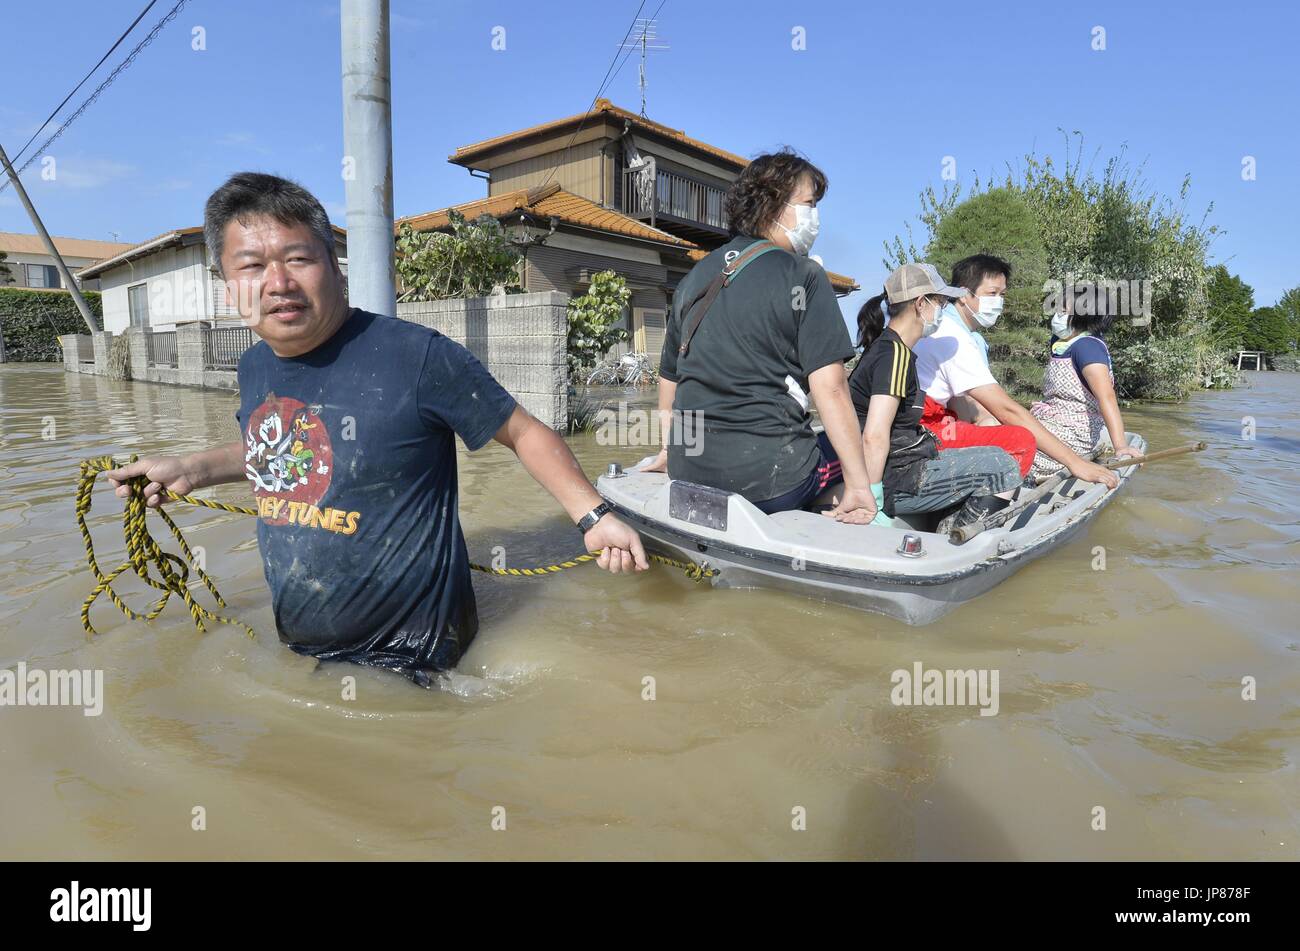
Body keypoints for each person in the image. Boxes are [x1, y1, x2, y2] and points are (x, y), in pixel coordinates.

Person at [107, 172, 647, 686]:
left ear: (335, 270)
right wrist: (189, 469)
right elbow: (277, 453)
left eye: (299, 258)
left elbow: (524, 432)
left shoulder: (417, 357)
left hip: (417, 665)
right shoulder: (254, 366)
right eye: (251, 266)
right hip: (304, 651)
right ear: (229, 289)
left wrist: (592, 515)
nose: (278, 282)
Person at [642, 149, 877, 522]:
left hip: (687, 472)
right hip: (770, 482)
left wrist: (671, 454)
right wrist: (860, 487)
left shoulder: (693, 279)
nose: (814, 218)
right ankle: (843, 499)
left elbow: (669, 378)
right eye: (808, 204)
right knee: (864, 440)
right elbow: (831, 389)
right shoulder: (804, 275)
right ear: (772, 207)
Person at [913, 254, 1118, 489]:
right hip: (928, 428)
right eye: (992, 294)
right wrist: (1075, 463)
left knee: (993, 426)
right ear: (964, 295)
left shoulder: (949, 328)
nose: (998, 302)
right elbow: (1007, 409)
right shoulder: (954, 338)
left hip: (928, 422)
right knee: (1018, 440)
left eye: (1002, 295)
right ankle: (975, 517)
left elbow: (965, 402)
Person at [849, 263, 1021, 531]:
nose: (943, 310)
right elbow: (874, 434)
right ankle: (956, 546)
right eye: (940, 302)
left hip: (901, 464)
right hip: (895, 478)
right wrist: (872, 501)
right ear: (921, 304)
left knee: (987, 453)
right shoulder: (894, 354)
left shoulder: (889, 347)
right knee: (1003, 467)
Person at [1029, 284, 1143, 477]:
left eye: (1064, 310)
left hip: (1073, 435)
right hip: (1052, 425)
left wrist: (1121, 447)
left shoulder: (1087, 347)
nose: (1058, 314)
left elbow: (1106, 397)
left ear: (1085, 315)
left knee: (1010, 441)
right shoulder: (1061, 344)